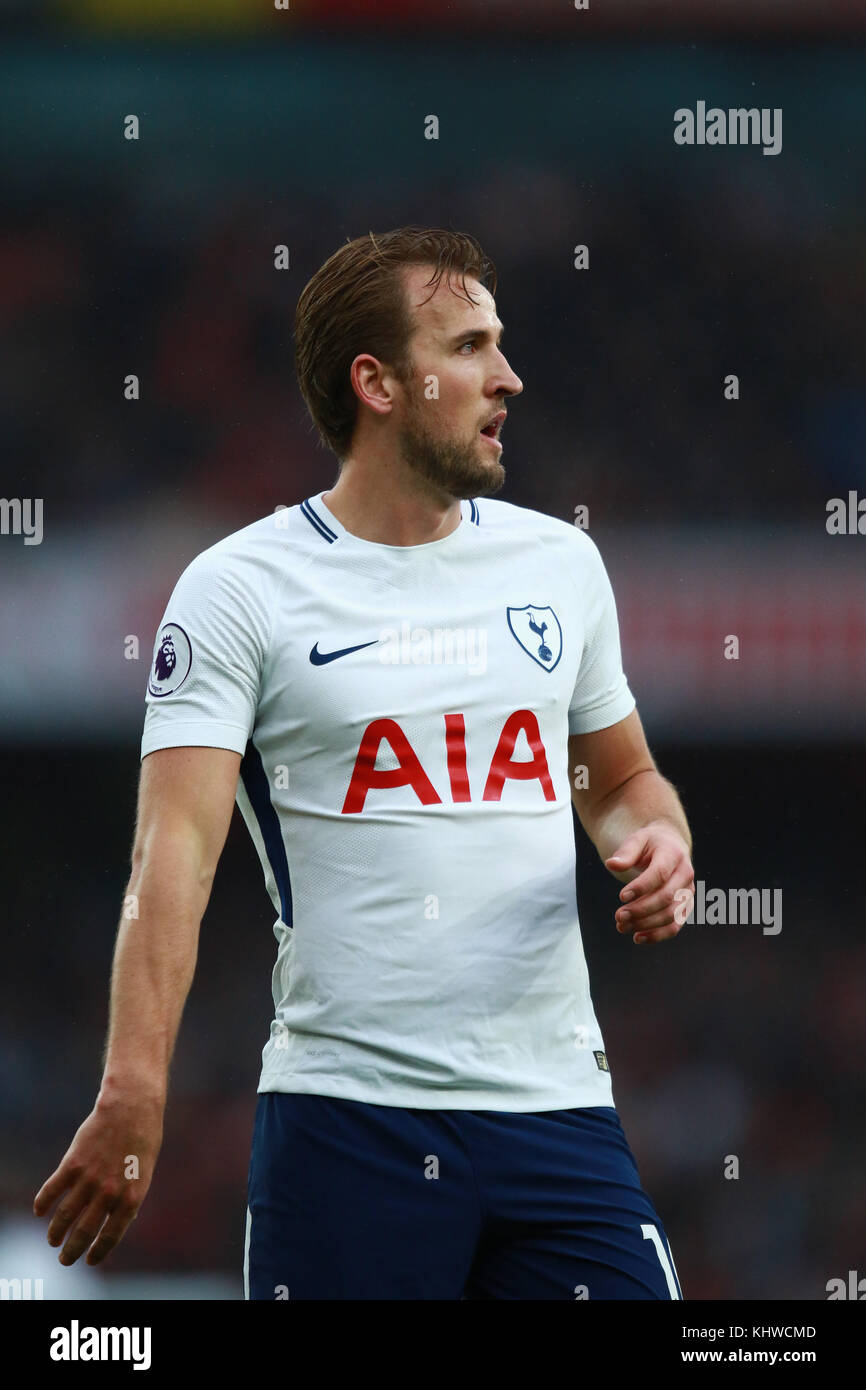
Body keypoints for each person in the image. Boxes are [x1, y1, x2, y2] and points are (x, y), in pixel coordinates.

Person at [34, 226, 694, 1299]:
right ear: (377, 382)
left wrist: (651, 838)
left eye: (501, 344)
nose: (508, 376)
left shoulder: (558, 564)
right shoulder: (238, 588)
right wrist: (133, 1085)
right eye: (472, 346)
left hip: (559, 1115)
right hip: (348, 1125)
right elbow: (175, 852)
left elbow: (616, 781)